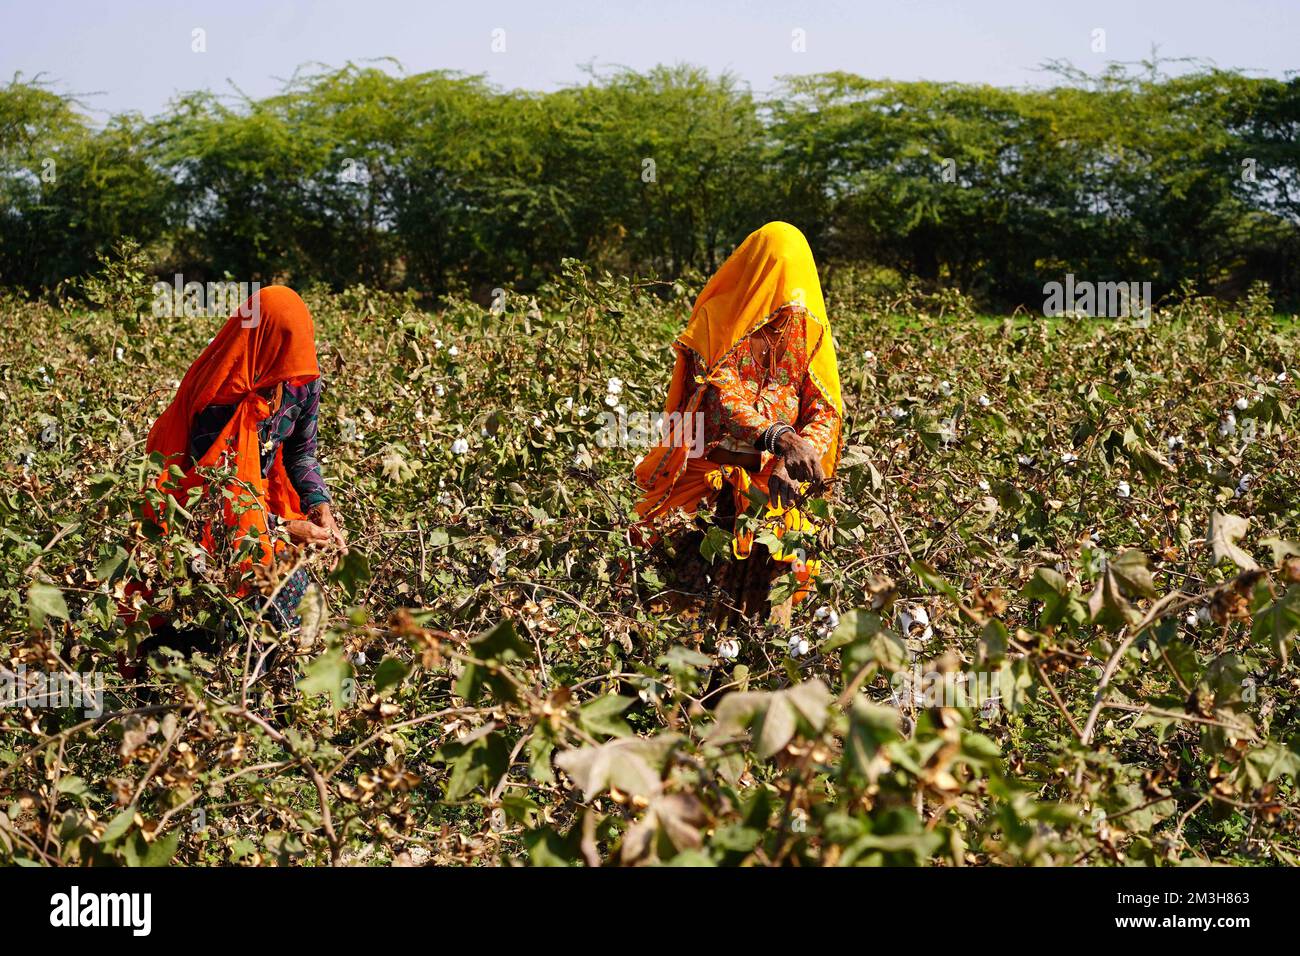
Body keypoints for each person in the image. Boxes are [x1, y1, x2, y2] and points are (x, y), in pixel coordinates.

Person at [634, 221, 842, 628]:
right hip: (706, 488)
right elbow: (720, 395)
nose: (793, 299)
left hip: (773, 494)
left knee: (762, 626)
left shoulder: (807, 331)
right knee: (683, 619)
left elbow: (826, 408)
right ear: (759, 273)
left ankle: (744, 688)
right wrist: (780, 438)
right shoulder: (719, 319)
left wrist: (796, 459)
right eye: (782, 283)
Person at [141, 285, 344, 636]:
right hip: (198, 521)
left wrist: (319, 505)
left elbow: (300, 452)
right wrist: (284, 528)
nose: (293, 361)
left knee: (300, 621)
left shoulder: (303, 383)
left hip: (255, 506)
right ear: (264, 339)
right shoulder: (220, 397)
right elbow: (209, 498)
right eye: (284, 345)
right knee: (221, 625)